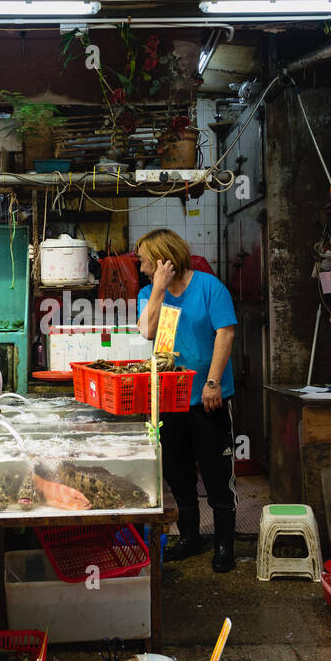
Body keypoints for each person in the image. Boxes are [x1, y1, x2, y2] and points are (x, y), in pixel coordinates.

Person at [136, 229, 240, 574]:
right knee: (178, 475)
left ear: (164, 257)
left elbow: (225, 334)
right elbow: (148, 333)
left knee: (216, 474)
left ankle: (225, 544)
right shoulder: (150, 294)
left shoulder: (211, 288)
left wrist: (212, 383)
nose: (141, 268)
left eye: (145, 260)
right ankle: (191, 538)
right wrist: (159, 291)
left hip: (208, 399)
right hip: (169, 400)